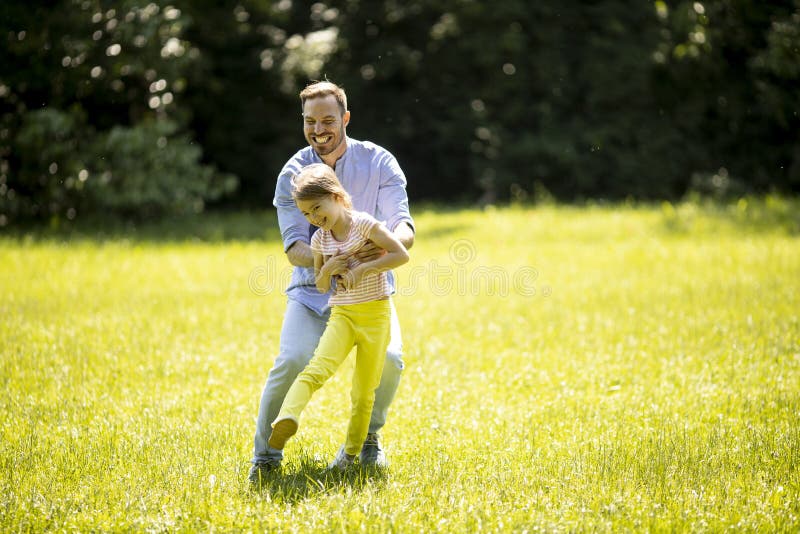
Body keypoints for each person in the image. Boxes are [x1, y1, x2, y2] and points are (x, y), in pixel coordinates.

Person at [249, 81, 415, 483]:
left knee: (391, 360)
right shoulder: (293, 174)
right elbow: (294, 248)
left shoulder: (379, 161)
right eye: (310, 121)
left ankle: (369, 440)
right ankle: (266, 457)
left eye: (327, 120)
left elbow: (403, 229)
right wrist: (332, 262)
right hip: (313, 294)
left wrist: (369, 253)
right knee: (293, 360)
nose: (318, 129)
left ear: (345, 118)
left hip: (369, 297)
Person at [267, 163, 410, 470]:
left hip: (375, 317)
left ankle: (350, 454)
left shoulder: (365, 225)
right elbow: (322, 285)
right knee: (315, 369)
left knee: (363, 394)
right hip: (343, 315)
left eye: (317, 209)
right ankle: (287, 417)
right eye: (306, 214)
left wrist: (365, 269)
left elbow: (402, 254)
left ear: (337, 197)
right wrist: (328, 269)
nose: (314, 218)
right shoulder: (320, 240)